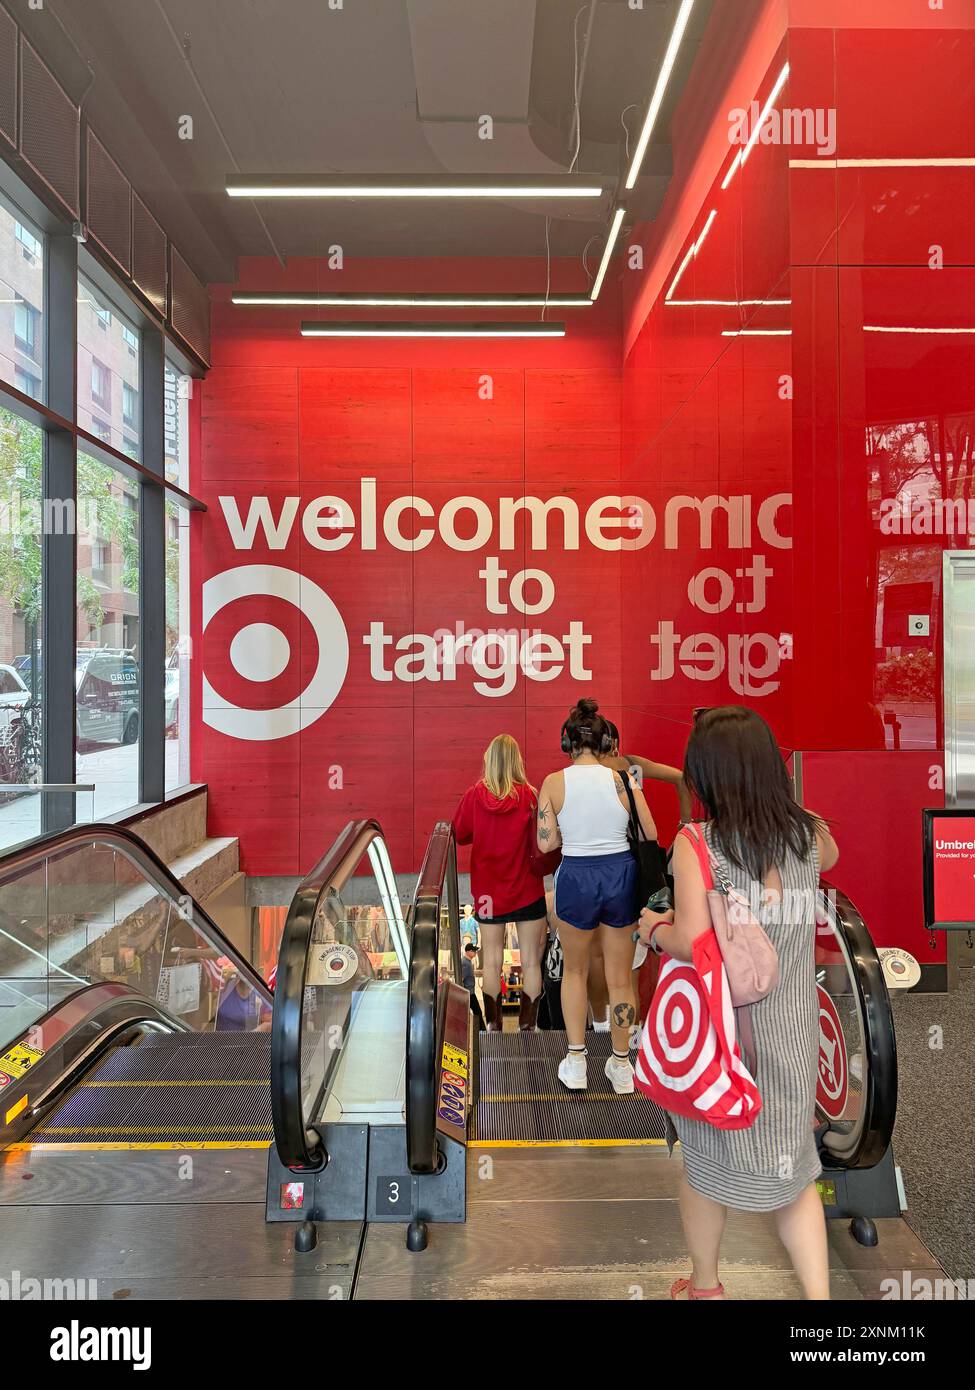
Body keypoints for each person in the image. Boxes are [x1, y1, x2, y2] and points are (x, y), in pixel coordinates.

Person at [638, 705, 839, 1301]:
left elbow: (693, 941)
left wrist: (653, 929)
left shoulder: (697, 844)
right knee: (795, 1172)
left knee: (705, 1166)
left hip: (725, 1039)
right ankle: (821, 1306)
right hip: (794, 1034)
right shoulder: (808, 836)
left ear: (706, 777)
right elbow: (827, 858)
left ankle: (704, 1289)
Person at [537, 697, 657, 1093]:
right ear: (606, 744)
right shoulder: (624, 780)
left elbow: (545, 843)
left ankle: (576, 1062)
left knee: (574, 971)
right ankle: (622, 1066)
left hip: (576, 875)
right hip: (620, 874)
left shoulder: (554, 783)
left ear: (566, 744)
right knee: (621, 978)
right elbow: (650, 834)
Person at [453, 734, 548, 1030]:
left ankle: (493, 1027)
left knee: (491, 961)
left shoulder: (474, 796)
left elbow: (459, 832)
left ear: (489, 761)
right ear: (516, 761)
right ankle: (527, 1028)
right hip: (527, 889)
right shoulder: (530, 796)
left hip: (488, 892)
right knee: (532, 961)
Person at [462, 942, 486, 1030]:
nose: (475, 953)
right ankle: (482, 1031)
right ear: (468, 951)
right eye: (474, 951)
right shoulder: (466, 963)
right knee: (478, 1012)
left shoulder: (467, 962)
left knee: (477, 1012)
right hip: (469, 993)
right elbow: (462, 978)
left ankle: (481, 1030)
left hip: (469, 992)